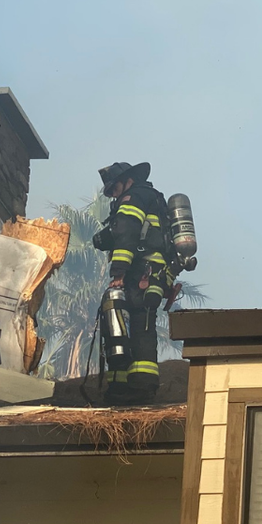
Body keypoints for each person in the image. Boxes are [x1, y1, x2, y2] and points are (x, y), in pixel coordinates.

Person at [94, 161, 172, 405]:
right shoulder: (153, 198)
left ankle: (138, 387)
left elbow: (127, 233)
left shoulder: (133, 198)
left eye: (114, 189)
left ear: (125, 181)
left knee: (137, 326)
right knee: (140, 324)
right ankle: (122, 385)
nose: (114, 195)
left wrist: (118, 272)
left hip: (141, 273)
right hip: (157, 274)